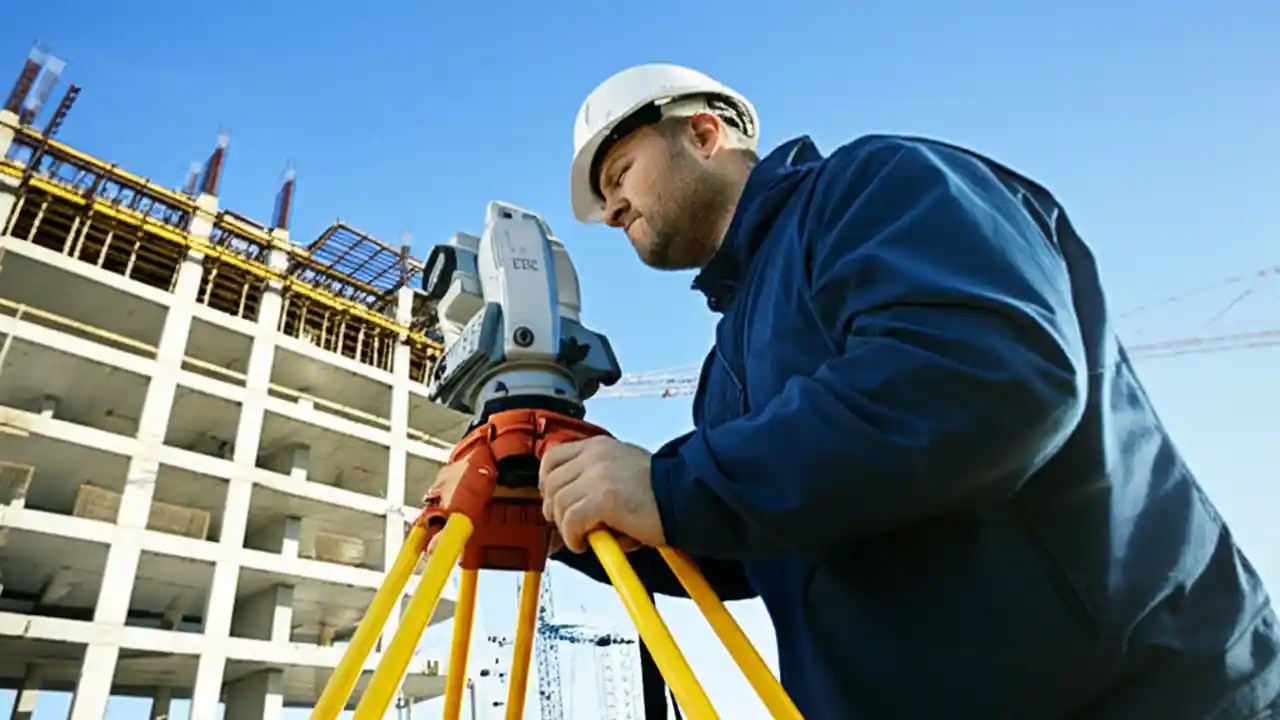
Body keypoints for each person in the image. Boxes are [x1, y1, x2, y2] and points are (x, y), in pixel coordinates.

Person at [437, 64, 1280, 718]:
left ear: (702, 132)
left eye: (620, 170)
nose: (611, 205)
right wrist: (573, 520)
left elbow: (985, 374)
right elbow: (755, 537)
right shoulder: (726, 366)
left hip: (1141, 695)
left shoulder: (874, 187)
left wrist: (671, 483)